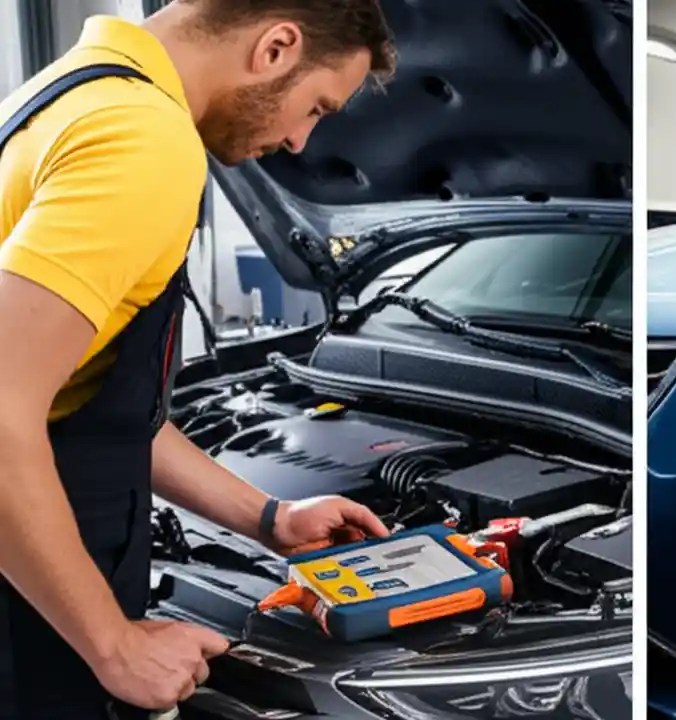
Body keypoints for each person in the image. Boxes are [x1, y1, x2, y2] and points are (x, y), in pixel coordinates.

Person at [0, 1, 397, 717]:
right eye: (317, 107)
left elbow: (94, 409)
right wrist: (114, 645)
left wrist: (269, 517)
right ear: (276, 47)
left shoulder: (63, 94)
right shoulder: (143, 140)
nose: (303, 143)